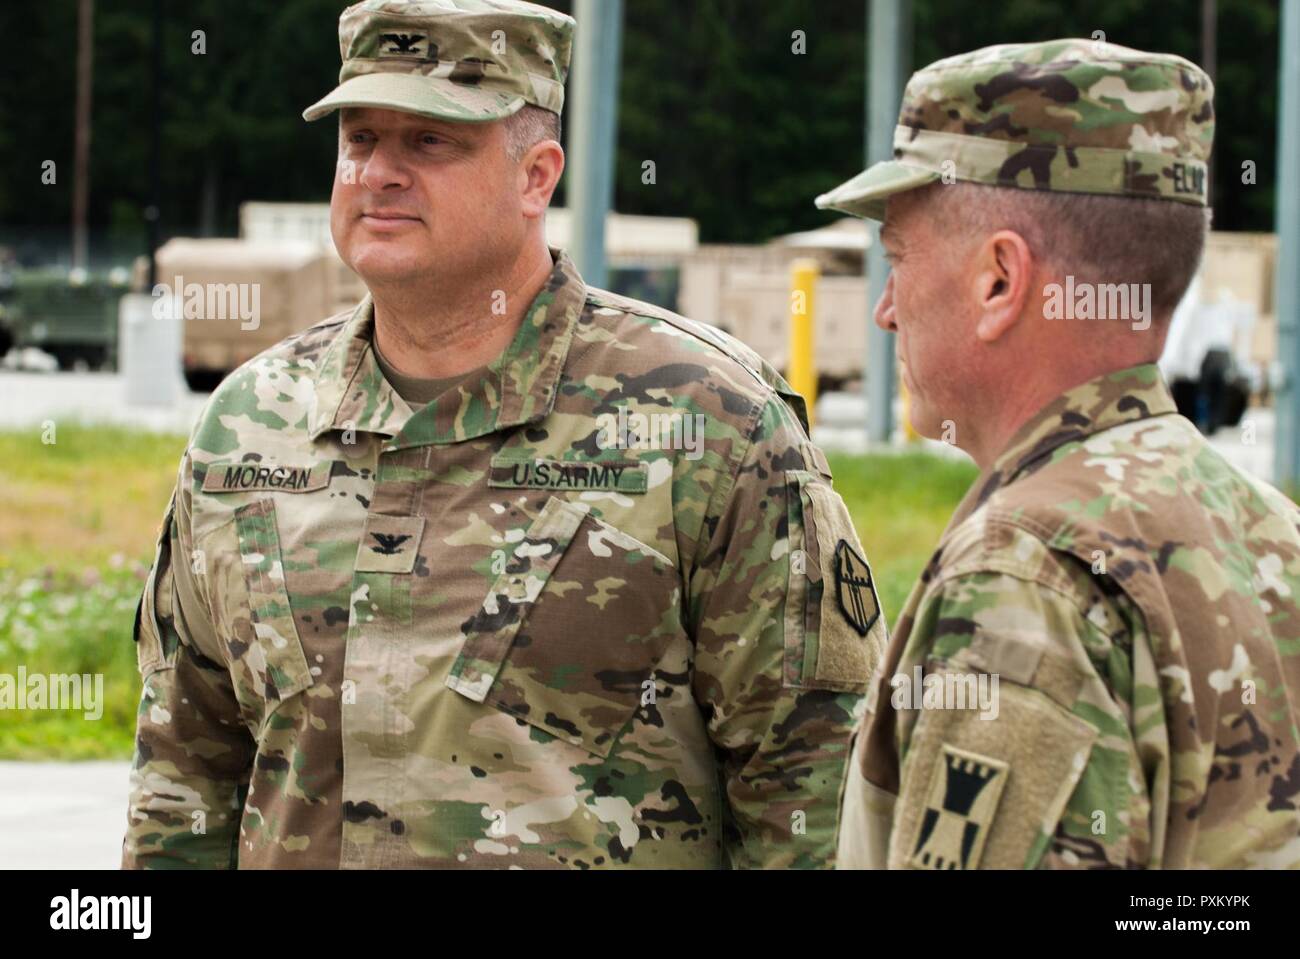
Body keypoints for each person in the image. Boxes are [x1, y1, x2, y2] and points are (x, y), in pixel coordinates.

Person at [121, 0, 886, 870]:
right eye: (361, 139)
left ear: (537, 176)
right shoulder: (251, 425)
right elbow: (184, 771)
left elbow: (811, 789)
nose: (379, 173)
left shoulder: (708, 420)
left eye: (431, 142)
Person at [819, 38, 1300, 869]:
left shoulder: (1022, 578)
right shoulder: (1272, 531)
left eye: (898, 260)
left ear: (1000, 281)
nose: (885, 309)